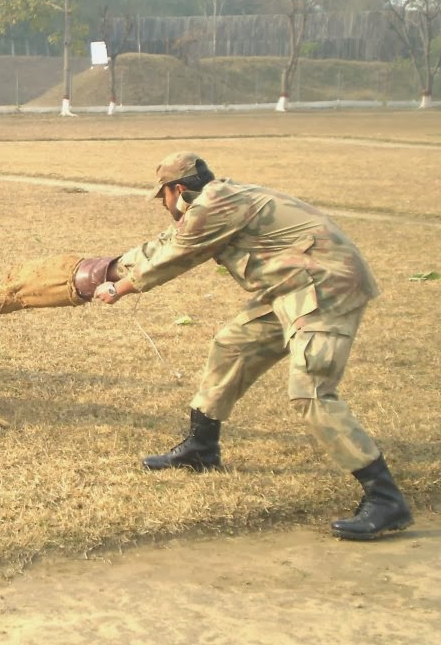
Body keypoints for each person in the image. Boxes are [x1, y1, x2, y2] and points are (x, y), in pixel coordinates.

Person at [91, 151, 412, 541]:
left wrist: (119, 287)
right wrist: (107, 266)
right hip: (289, 289)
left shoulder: (214, 205)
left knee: (311, 391)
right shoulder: (216, 199)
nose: (162, 204)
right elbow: (168, 241)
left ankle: (385, 498)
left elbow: (176, 255)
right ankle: (201, 449)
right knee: (233, 346)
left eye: (162, 196)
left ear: (177, 190)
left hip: (326, 287)